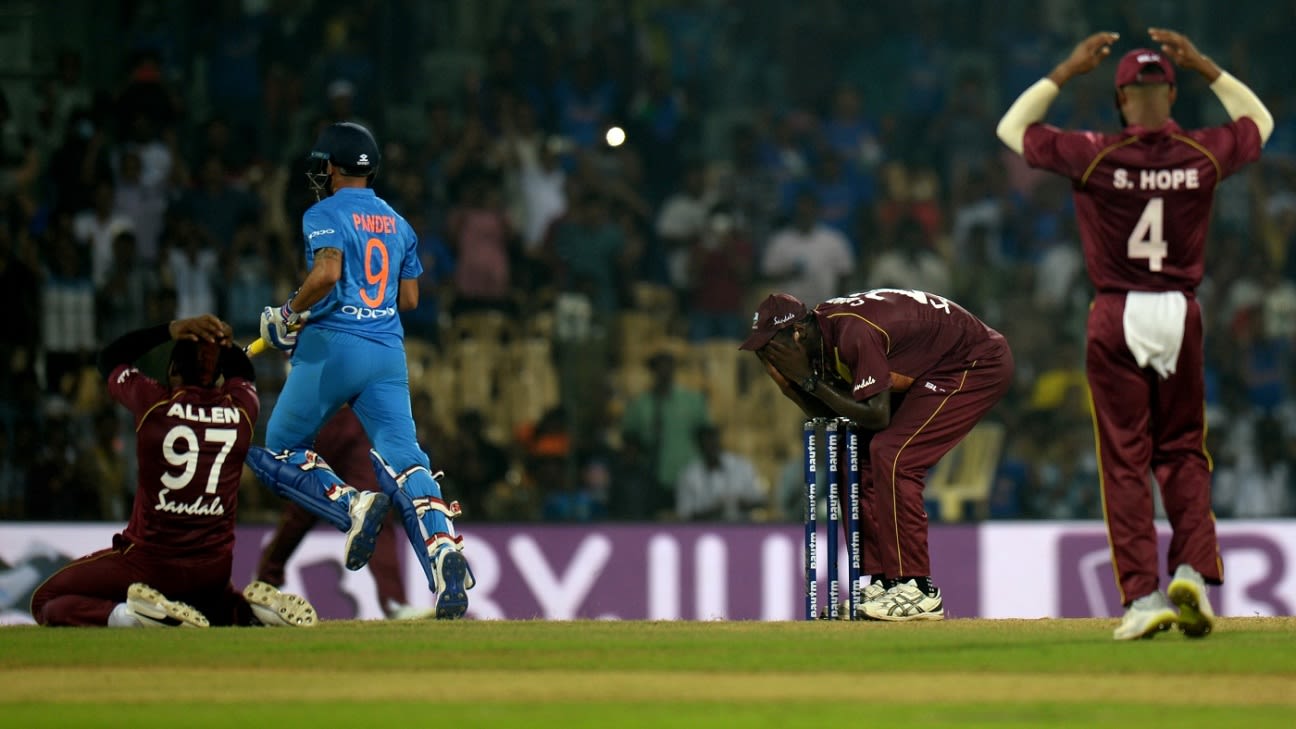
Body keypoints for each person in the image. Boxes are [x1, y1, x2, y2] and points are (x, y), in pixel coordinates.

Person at [995, 29, 1272, 640]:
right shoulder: (1202, 154)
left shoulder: (1094, 152)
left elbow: (1011, 130)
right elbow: (1260, 121)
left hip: (1117, 312)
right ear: (1170, 94)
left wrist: (1064, 72)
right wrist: (1205, 64)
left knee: (1126, 460)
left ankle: (1145, 598)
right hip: (1180, 310)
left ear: (1121, 101)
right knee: (1183, 451)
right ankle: (1194, 571)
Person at [248, 121, 473, 619]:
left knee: (280, 447)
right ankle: (443, 551)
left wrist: (288, 315)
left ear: (332, 167)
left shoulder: (322, 212)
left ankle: (352, 505)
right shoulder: (399, 222)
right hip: (387, 351)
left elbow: (327, 273)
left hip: (333, 348)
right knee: (405, 459)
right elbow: (409, 297)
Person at [744, 290, 1013, 621]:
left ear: (796, 333)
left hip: (974, 361)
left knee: (894, 454)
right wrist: (794, 387)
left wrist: (808, 380)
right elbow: (837, 415)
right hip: (932, 366)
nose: (769, 357)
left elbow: (877, 415)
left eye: (771, 346)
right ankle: (887, 581)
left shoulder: (850, 334)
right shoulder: (820, 341)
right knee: (852, 450)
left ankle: (918, 588)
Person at [30, 316, 314, 628]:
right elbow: (243, 372)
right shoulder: (243, 411)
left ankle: (131, 616)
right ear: (219, 375)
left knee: (45, 600)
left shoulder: (153, 403)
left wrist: (169, 329)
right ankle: (249, 613)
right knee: (211, 608)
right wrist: (223, 343)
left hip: (149, 564)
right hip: (212, 572)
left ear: (172, 371)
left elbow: (109, 358)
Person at [255, 406, 434, 620]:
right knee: (301, 512)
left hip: (360, 415)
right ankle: (264, 584)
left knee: (376, 512)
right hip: (320, 413)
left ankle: (395, 603)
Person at [675, 424, 764, 522]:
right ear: (698, 446)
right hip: (704, 532)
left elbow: (761, 501)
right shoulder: (688, 475)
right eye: (706, 444)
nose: (710, 448)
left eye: (713, 443)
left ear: (719, 443)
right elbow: (684, 515)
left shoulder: (742, 466)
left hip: (741, 528)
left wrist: (742, 504)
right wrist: (713, 511)